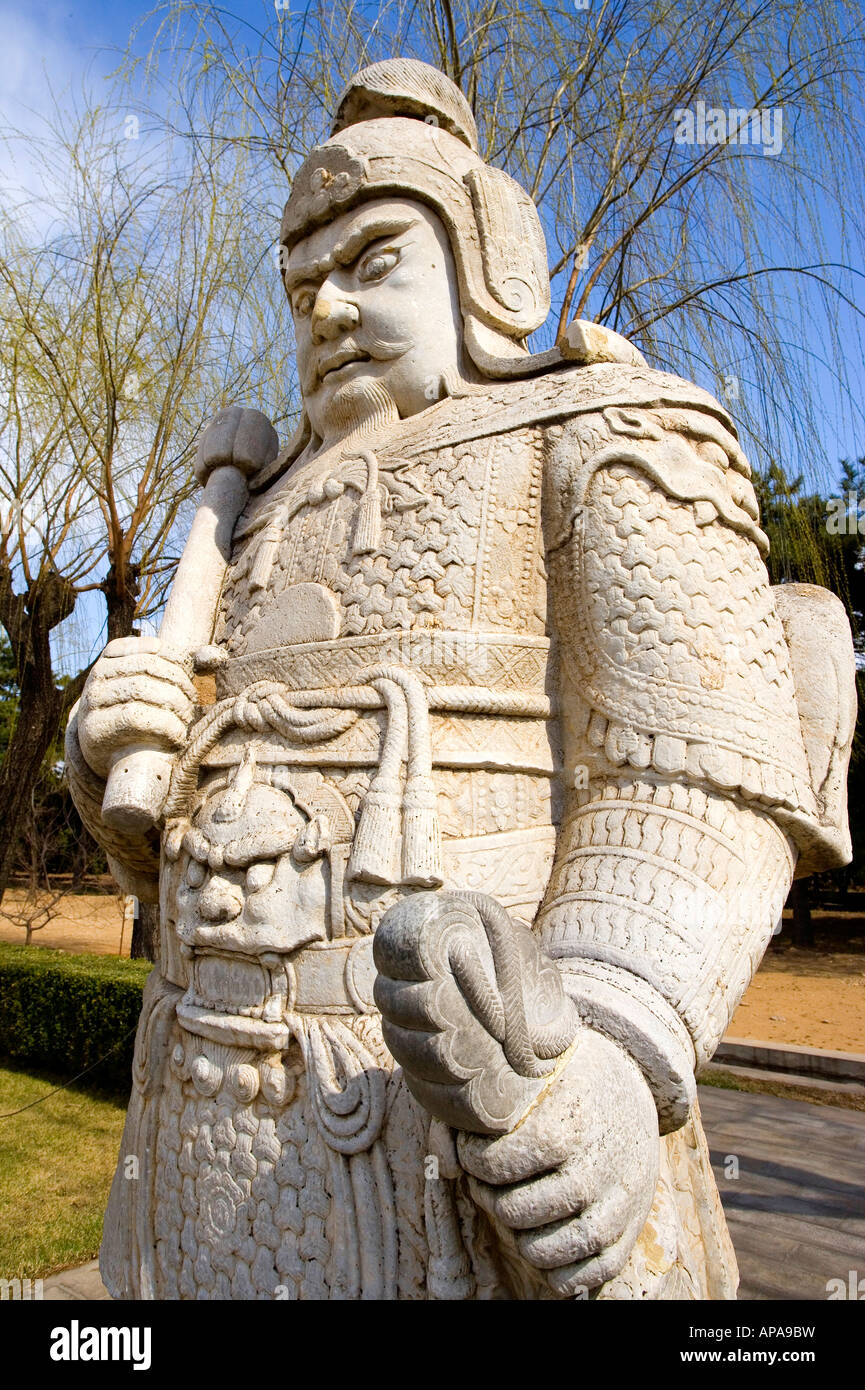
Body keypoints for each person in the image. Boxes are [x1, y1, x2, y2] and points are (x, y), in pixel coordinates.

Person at [67, 57, 855, 1300]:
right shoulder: (241, 531)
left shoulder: (601, 434)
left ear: (488, 259)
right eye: (300, 283)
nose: (324, 309)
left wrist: (602, 1047)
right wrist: (110, 751)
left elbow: (693, 777)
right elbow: (188, 851)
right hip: (206, 1106)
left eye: (371, 260)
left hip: (458, 1117)